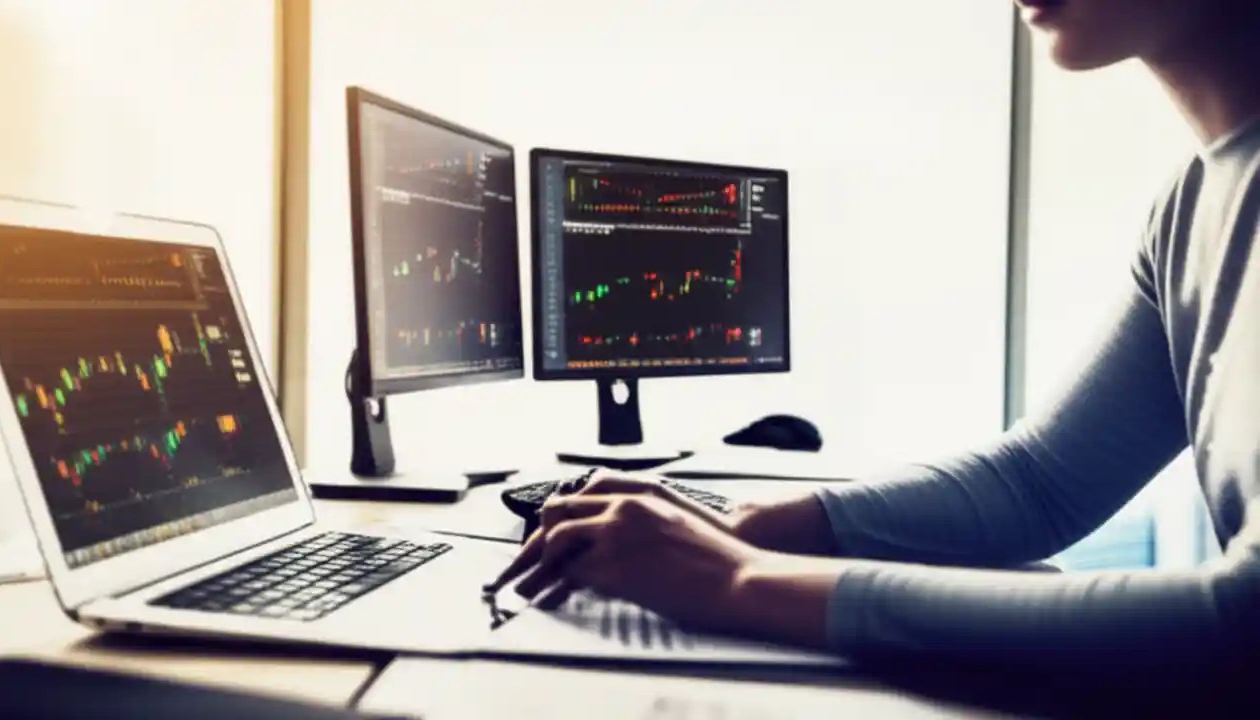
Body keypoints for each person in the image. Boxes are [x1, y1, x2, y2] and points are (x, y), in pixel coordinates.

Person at [488, 0, 1260, 678]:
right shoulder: (1192, 203)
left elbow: (1241, 626)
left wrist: (738, 580)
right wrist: (747, 528)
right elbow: (1041, 483)